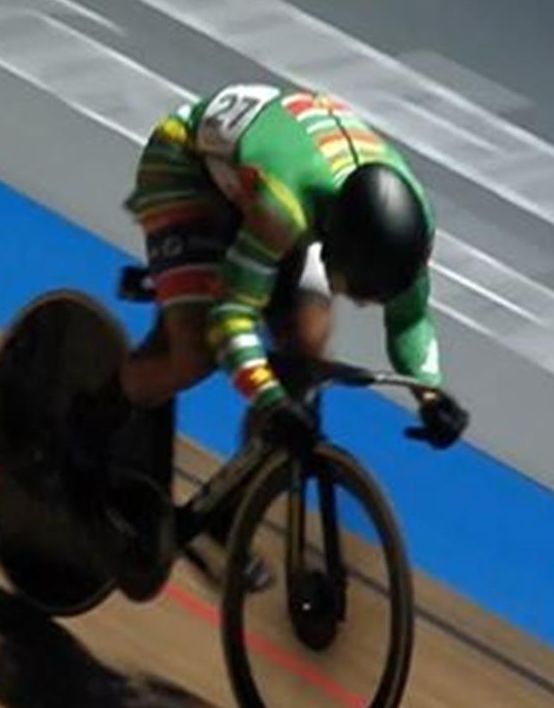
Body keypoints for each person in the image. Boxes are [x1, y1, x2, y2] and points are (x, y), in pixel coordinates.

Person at [86, 82, 469, 483]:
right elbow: (231, 318)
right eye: (359, 292)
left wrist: (430, 395)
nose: (362, 305)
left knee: (308, 344)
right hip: (190, 166)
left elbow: (409, 319)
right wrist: (270, 401)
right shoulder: (282, 208)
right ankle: (93, 417)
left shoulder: (411, 228)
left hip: (282, 171)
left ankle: (240, 495)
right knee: (197, 352)